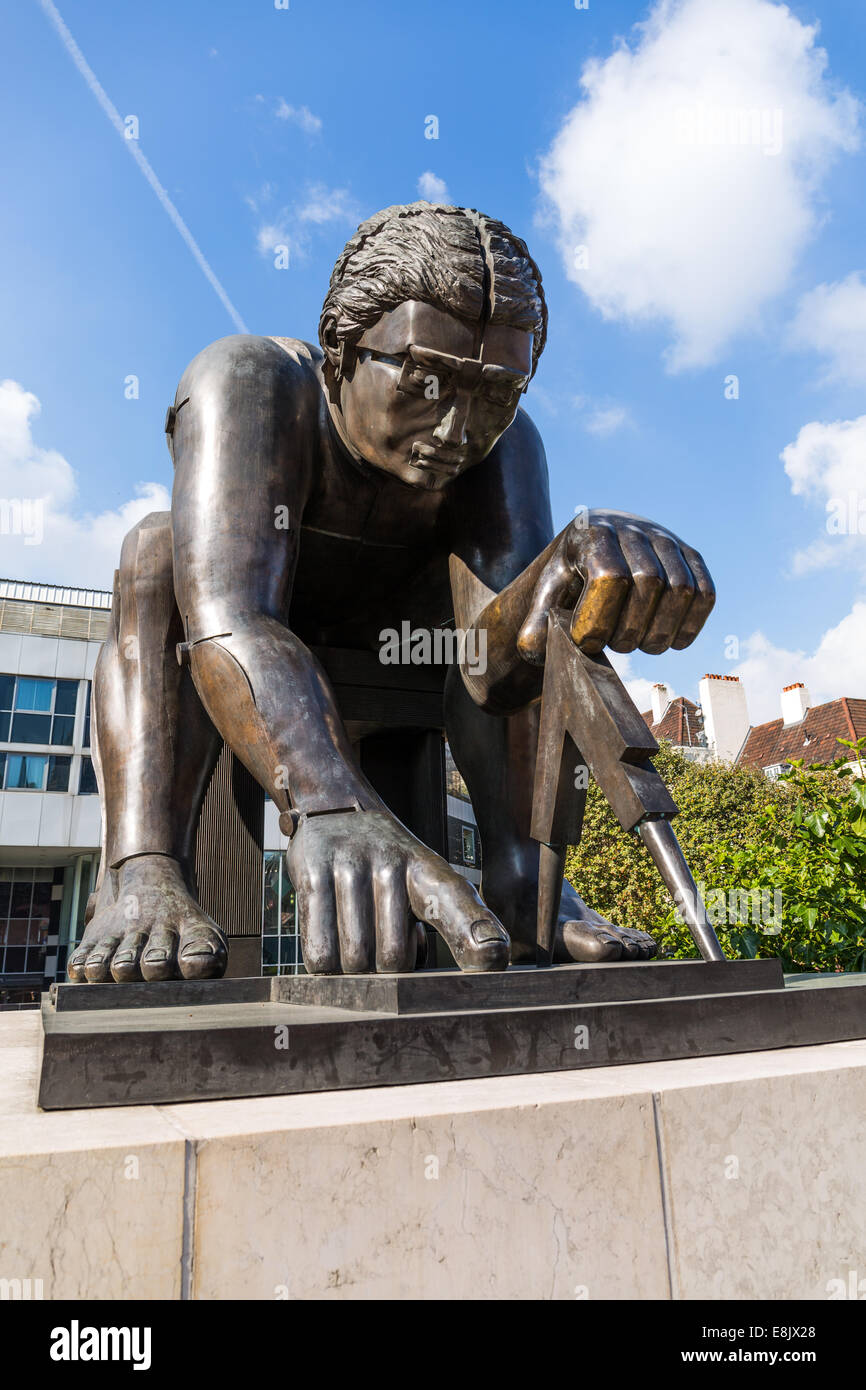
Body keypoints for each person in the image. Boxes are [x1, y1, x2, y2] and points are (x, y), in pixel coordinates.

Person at [68, 203, 714, 984]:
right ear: (341, 352)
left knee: (542, 613)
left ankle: (528, 884)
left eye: (494, 394)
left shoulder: (505, 449)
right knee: (156, 551)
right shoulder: (250, 382)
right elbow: (230, 612)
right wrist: (330, 799)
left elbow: (491, 664)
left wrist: (562, 573)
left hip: (413, 649)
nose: (458, 429)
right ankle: (143, 872)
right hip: (261, 648)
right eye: (424, 379)